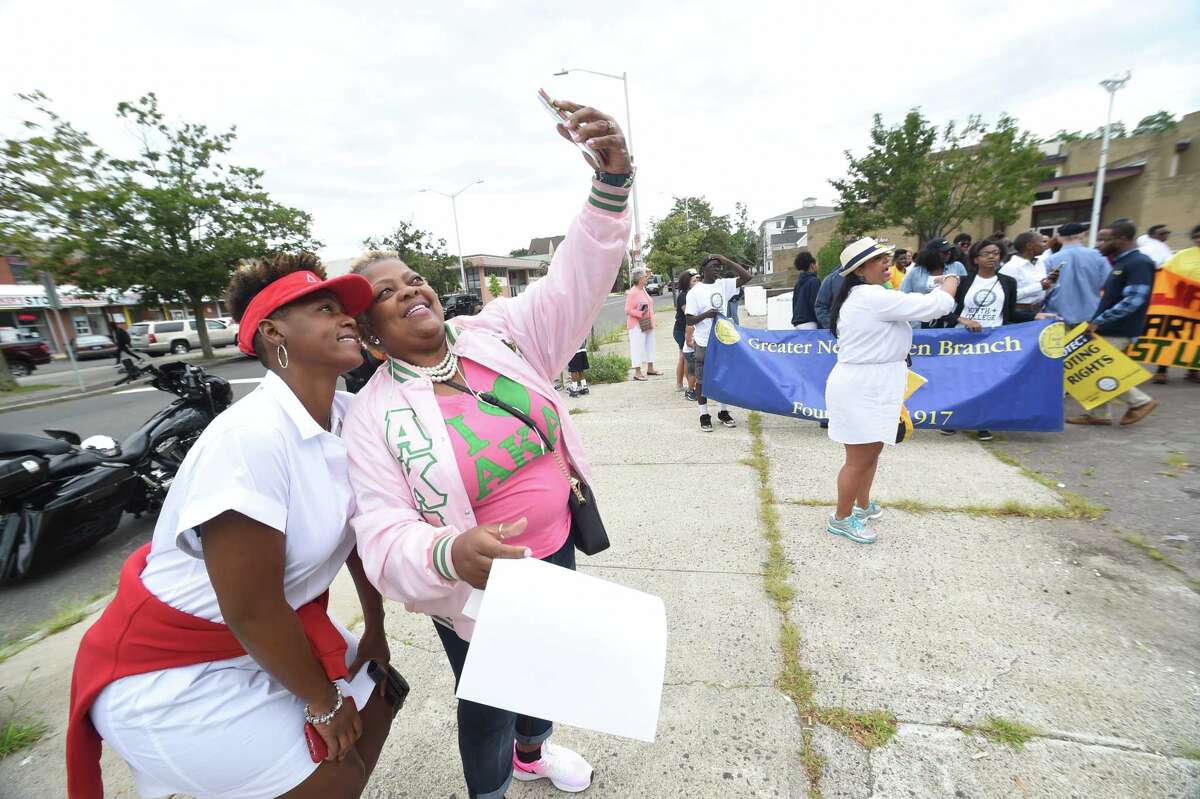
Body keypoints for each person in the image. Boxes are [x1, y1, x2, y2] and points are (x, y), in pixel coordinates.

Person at [341, 99, 631, 799]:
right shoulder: (373, 414)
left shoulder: (498, 335)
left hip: (554, 543)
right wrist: (448, 552)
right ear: (372, 334)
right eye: (386, 292)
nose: (409, 286)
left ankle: (535, 753)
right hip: (473, 582)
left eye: (411, 276)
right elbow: (380, 532)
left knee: (546, 663)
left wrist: (611, 184)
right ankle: (491, 788)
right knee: (487, 695)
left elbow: (573, 280)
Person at [69, 254, 397, 799]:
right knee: (336, 773)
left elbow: (360, 533)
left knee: (382, 693)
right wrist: (325, 701)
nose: (346, 320)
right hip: (170, 672)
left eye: (344, 311)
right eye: (324, 309)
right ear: (273, 333)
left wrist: (377, 629)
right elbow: (251, 607)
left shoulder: (350, 414)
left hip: (255, 640)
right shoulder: (250, 439)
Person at [824, 237, 959, 544]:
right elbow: (933, 307)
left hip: (874, 382)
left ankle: (862, 505)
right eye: (878, 260)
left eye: (886, 257)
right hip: (863, 386)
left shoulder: (870, 295)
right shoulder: (871, 297)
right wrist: (951, 281)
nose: (886, 262)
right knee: (858, 458)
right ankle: (841, 518)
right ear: (860, 271)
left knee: (873, 450)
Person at [951, 239, 1048, 441]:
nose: (992, 257)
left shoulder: (1008, 282)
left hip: (994, 342)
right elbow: (946, 311)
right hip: (964, 340)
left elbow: (1010, 314)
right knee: (962, 381)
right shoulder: (963, 282)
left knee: (986, 382)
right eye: (986, 253)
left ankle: (983, 423)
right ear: (976, 258)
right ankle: (955, 419)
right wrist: (963, 319)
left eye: (995, 253)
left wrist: (1034, 317)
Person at [1067, 219, 1159, 426]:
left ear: (1122, 239)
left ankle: (1140, 402)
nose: (1098, 244)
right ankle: (1099, 414)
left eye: (1103, 239)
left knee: (1101, 369)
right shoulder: (1122, 262)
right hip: (1109, 326)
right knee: (1091, 369)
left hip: (1117, 328)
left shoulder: (1138, 263)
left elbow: (1133, 300)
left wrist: (1099, 320)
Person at [686, 253, 753, 432]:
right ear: (703, 269)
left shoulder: (723, 285)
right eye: (713, 266)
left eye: (719, 266)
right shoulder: (695, 292)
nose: (717, 269)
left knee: (723, 376)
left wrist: (727, 260)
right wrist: (706, 315)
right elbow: (689, 320)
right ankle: (704, 414)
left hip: (723, 340)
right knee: (701, 380)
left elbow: (747, 277)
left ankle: (723, 411)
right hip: (704, 341)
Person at [1152, 224, 1200, 384]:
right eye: (1196, 236)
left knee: (1197, 337)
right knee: (1171, 334)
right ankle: (1162, 369)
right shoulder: (1183, 255)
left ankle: (1194, 370)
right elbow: (1165, 272)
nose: (1199, 239)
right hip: (1180, 304)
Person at [1042, 221, 1111, 327]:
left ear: (1059, 237)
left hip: (1056, 317)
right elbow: (1108, 283)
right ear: (1082, 235)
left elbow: (1045, 288)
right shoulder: (1098, 257)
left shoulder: (1051, 260)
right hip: (1090, 317)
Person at [900, 238, 967, 327]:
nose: (948, 254)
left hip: (951, 323)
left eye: (950, 251)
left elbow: (965, 294)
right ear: (932, 254)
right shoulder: (915, 272)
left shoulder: (957, 267)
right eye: (944, 252)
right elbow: (904, 296)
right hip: (920, 324)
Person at [1001, 230, 1057, 315]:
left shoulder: (1039, 263)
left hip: (1038, 310)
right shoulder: (1011, 267)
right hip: (1018, 313)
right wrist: (1038, 286)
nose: (1045, 245)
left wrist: (1051, 281)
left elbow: (1042, 292)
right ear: (1030, 245)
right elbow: (1005, 295)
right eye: (1042, 242)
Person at [625, 266, 658, 381]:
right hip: (636, 324)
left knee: (650, 344)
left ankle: (650, 368)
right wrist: (640, 313)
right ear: (639, 279)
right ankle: (637, 372)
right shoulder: (632, 292)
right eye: (645, 276)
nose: (647, 278)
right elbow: (628, 310)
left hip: (647, 322)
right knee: (637, 347)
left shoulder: (643, 289)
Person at [673, 269, 698, 395]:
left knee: (686, 357)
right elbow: (689, 313)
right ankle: (684, 384)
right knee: (685, 357)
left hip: (687, 330)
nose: (697, 282)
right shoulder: (683, 296)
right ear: (687, 282)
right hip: (680, 330)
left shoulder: (693, 294)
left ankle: (687, 384)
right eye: (694, 281)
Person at [791, 252, 820, 328]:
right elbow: (816, 304)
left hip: (798, 324)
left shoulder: (798, 283)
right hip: (810, 324)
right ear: (812, 265)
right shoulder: (814, 281)